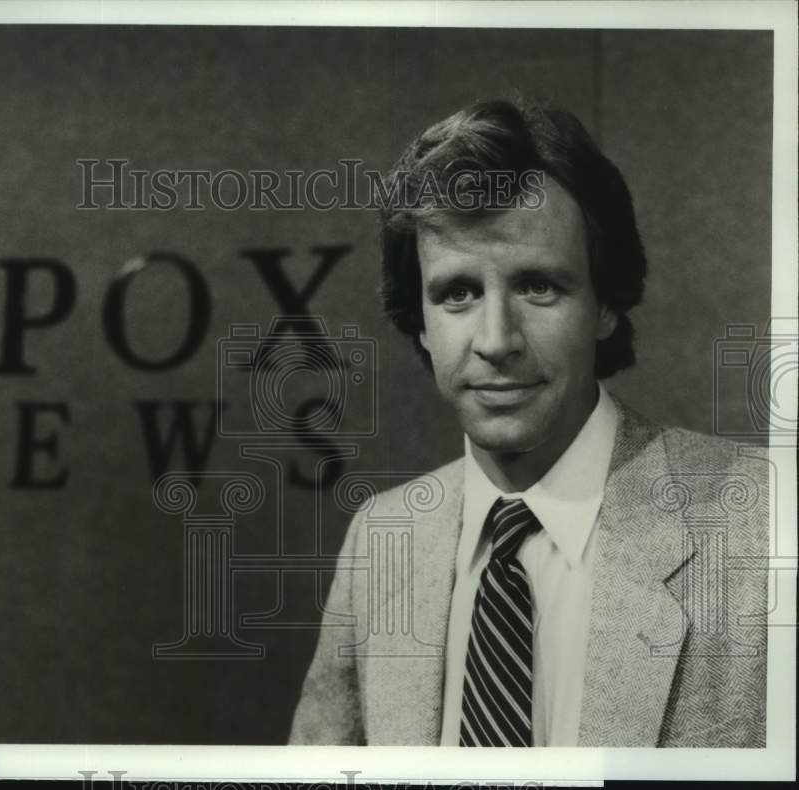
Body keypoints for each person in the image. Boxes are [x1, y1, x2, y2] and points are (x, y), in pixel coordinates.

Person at [289, 99, 768, 747]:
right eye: (457, 293)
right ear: (420, 322)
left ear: (606, 305)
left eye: (539, 286)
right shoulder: (382, 540)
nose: (496, 340)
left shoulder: (759, 526)